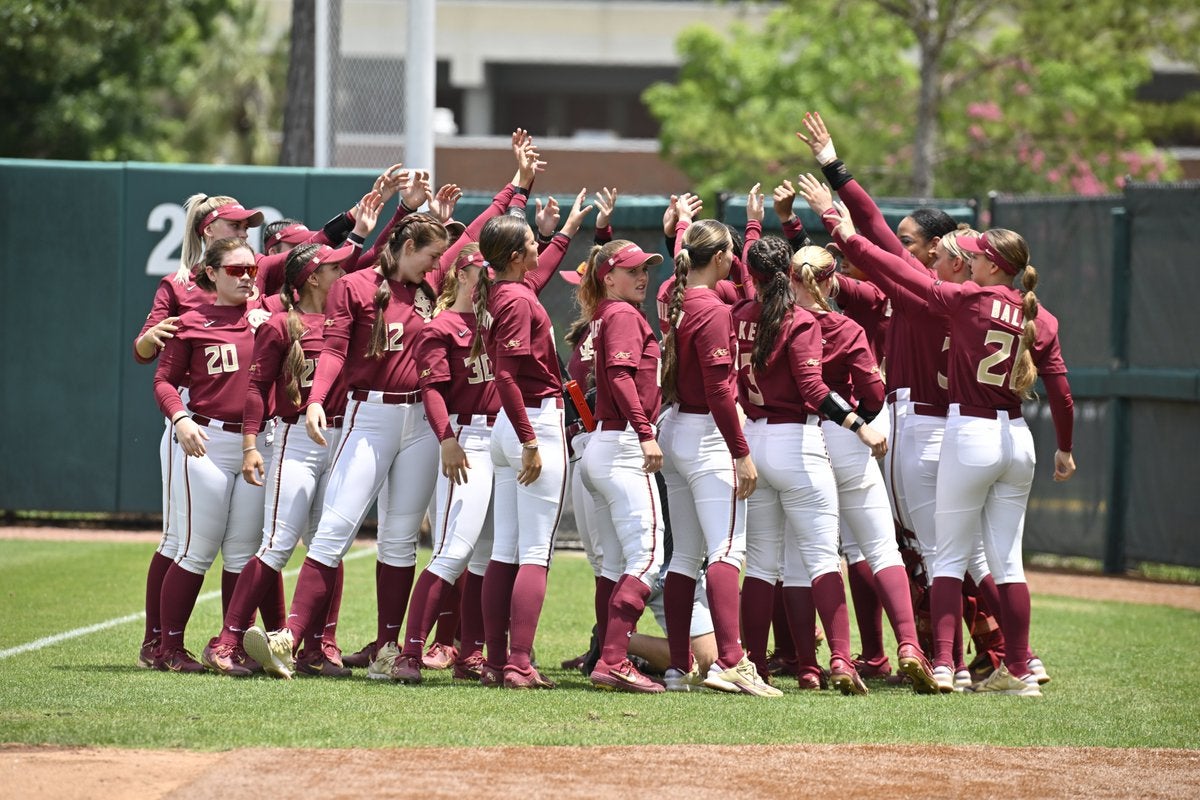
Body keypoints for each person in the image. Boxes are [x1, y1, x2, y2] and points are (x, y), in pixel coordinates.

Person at [804, 177, 1076, 696]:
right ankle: (1018, 662)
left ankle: (950, 662)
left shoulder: (964, 302)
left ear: (991, 264)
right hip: (1017, 437)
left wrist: (838, 227)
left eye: (969, 254)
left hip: (955, 430)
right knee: (998, 559)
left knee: (945, 554)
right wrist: (1065, 449)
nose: (963, 259)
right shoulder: (1039, 315)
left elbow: (883, 252)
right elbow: (1060, 395)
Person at [799, 111, 1007, 687]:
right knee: (967, 552)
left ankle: (956, 658)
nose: (904, 244)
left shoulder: (934, 291)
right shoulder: (980, 297)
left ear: (944, 250)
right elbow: (865, 262)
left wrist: (835, 171)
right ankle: (1001, 652)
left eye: (916, 242)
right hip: (971, 426)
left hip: (921, 424)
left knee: (928, 550)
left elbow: (872, 237)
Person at [244, 204, 450, 680]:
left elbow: (470, 246)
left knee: (400, 541)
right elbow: (334, 352)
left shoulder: (428, 289)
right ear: (406, 247)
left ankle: (388, 648)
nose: (436, 264)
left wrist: (515, 191)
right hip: (368, 413)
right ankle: (288, 638)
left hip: (420, 417)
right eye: (429, 254)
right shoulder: (351, 286)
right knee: (334, 528)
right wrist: (316, 399)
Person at [733, 235, 891, 696]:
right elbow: (812, 389)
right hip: (796, 441)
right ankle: (839, 659)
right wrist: (859, 426)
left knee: (761, 563)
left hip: (753, 439)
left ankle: (758, 666)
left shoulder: (738, 314)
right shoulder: (798, 319)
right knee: (822, 557)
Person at [200, 241, 361, 677]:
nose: (342, 275)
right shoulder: (277, 325)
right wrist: (251, 446)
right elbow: (256, 390)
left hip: (343, 436)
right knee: (277, 543)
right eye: (332, 270)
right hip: (294, 439)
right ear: (312, 278)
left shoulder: (347, 320)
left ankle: (319, 645)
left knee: (328, 546)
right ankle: (227, 641)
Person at [788, 243, 939, 693]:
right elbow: (874, 393)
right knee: (878, 548)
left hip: (794, 436)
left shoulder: (774, 323)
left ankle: (826, 659)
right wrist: (861, 420)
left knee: (804, 559)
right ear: (832, 280)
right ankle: (909, 646)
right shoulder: (845, 325)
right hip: (845, 434)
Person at [131, 194, 263, 668]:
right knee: (186, 544)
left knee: (243, 548)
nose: (245, 236)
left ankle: (229, 642)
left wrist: (359, 223)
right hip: (196, 421)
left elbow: (311, 256)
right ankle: (162, 644)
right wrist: (179, 415)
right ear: (209, 232)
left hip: (249, 438)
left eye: (248, 228)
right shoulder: (180, 290)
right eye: (235, 226)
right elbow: (151, 359)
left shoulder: (257, 299)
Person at [470, 188, 594, 689]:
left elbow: (532, 284)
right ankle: (518, 661)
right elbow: (505, 376)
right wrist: (529, 440)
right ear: (516, 255)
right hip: (530, 422)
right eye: (531, 243)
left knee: (506, 550)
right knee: (534, 552)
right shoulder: (515, 299)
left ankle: (498, 660)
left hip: (512, 427)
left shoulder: (504, 289)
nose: (537, 250)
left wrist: (566, 230)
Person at [656, 205, 775, 697]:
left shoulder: (679, 298)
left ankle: (680, 667)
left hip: (677, 426)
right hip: (706, 434)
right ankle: (731, 661)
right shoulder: (712, 309)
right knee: (727, 549)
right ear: (723, 257)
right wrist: (741, 451)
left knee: (686, 553)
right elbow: (721, 389)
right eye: (729, 252)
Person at [387, 244, 501, 684]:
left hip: (500, 436)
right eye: (480, 271)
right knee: (453, 550)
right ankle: (410, 653)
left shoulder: (494, 322)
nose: (488, 279)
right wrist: (448, 439)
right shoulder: (441, 325)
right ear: (461, 275)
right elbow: (432, 391)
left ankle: (471, 652)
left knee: (487, 556)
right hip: (465, 436)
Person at [575, 240, 668, 694]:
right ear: (607, 277)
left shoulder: (606, 315)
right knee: (648, 558)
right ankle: (613, 659)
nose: (642, 277)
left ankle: (605, 655)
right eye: (632, 270)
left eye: (645, 268)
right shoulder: (624, 315)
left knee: (613, 562)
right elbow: (619, 376)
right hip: (626, 444)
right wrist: (647, 432)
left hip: (603, 442)